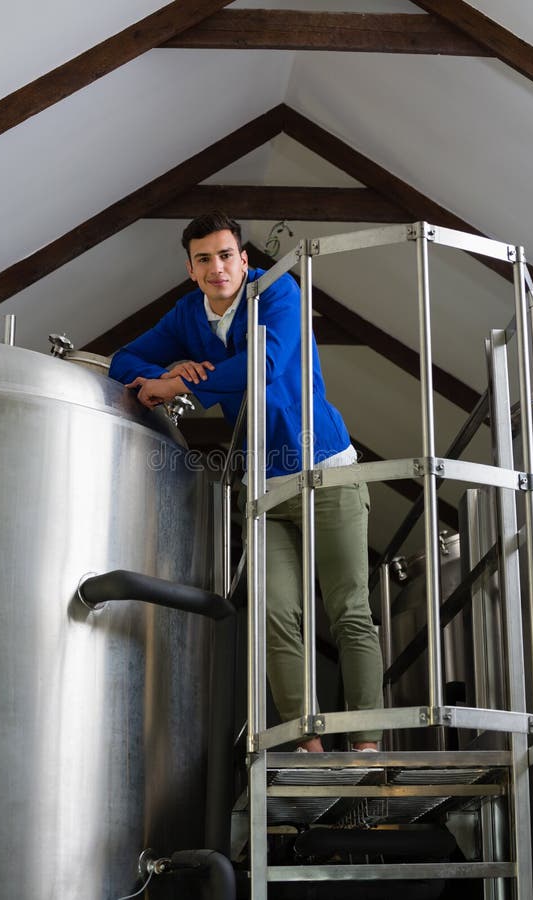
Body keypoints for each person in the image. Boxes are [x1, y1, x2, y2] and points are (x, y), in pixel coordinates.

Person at [109, 211, 383, 751]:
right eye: (204, 259)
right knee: (277, 616)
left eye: (226, 255)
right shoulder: (188, 315)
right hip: (265, 488)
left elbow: (269, 362)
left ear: (243, 258)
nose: (218, 268)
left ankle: (366, 744)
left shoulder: (279, 292)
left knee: (348, 608)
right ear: (190, 269)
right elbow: (123, 360)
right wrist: (163, 374)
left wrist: (183, 381)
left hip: (327, 469)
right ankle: (309, 748)